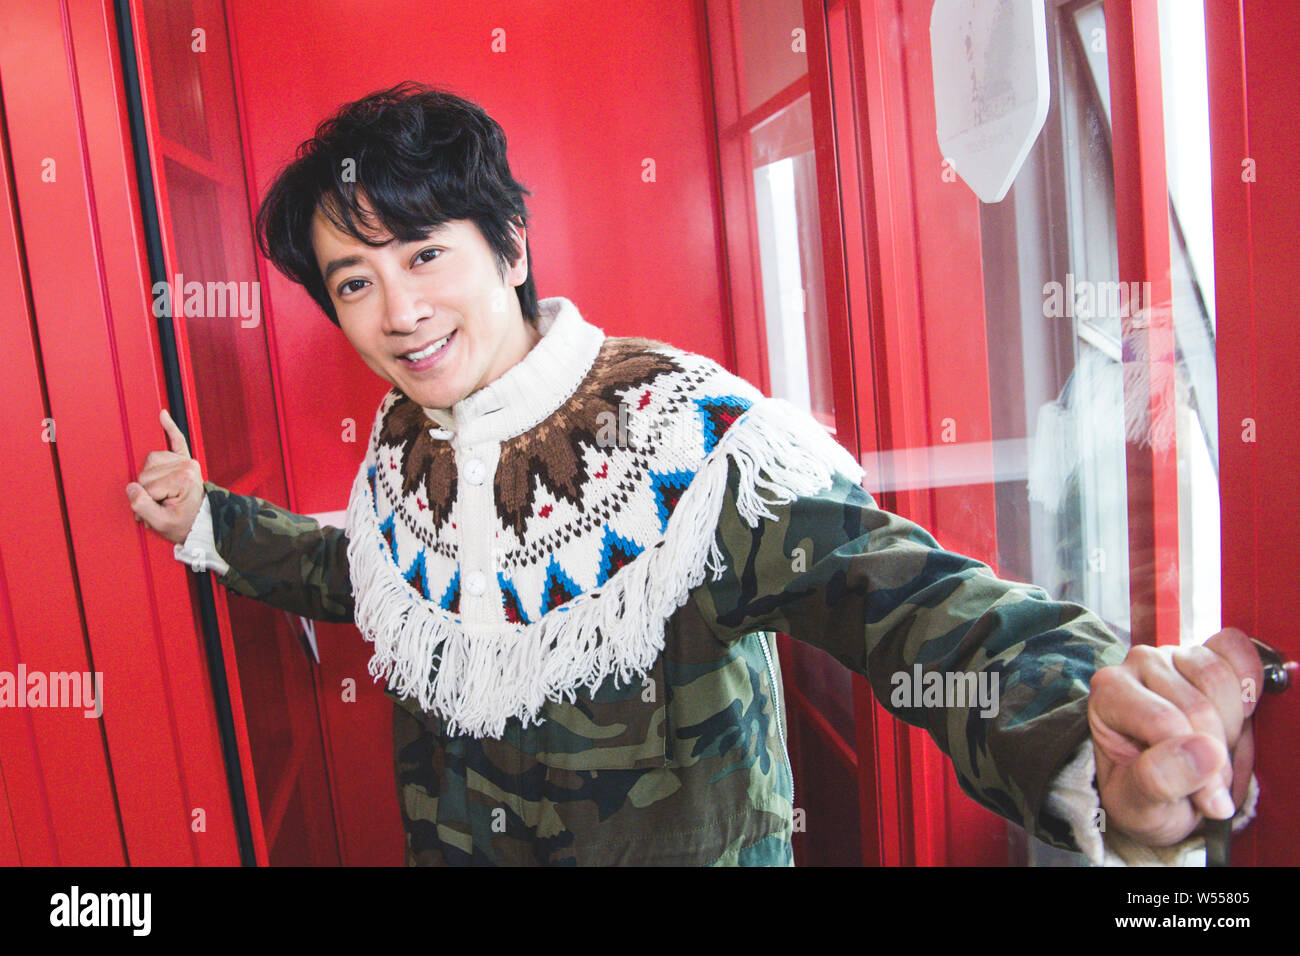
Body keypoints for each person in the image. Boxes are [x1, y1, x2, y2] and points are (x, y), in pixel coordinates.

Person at [126, 81, 1261, 866]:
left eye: (425, 255)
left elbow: (900, 599)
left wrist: (1086, 735)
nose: (400, 309)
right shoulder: (401, 436)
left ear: (510, 250)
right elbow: (364, 576)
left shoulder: (686, 432)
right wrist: (208, 519)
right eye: (354, 281)